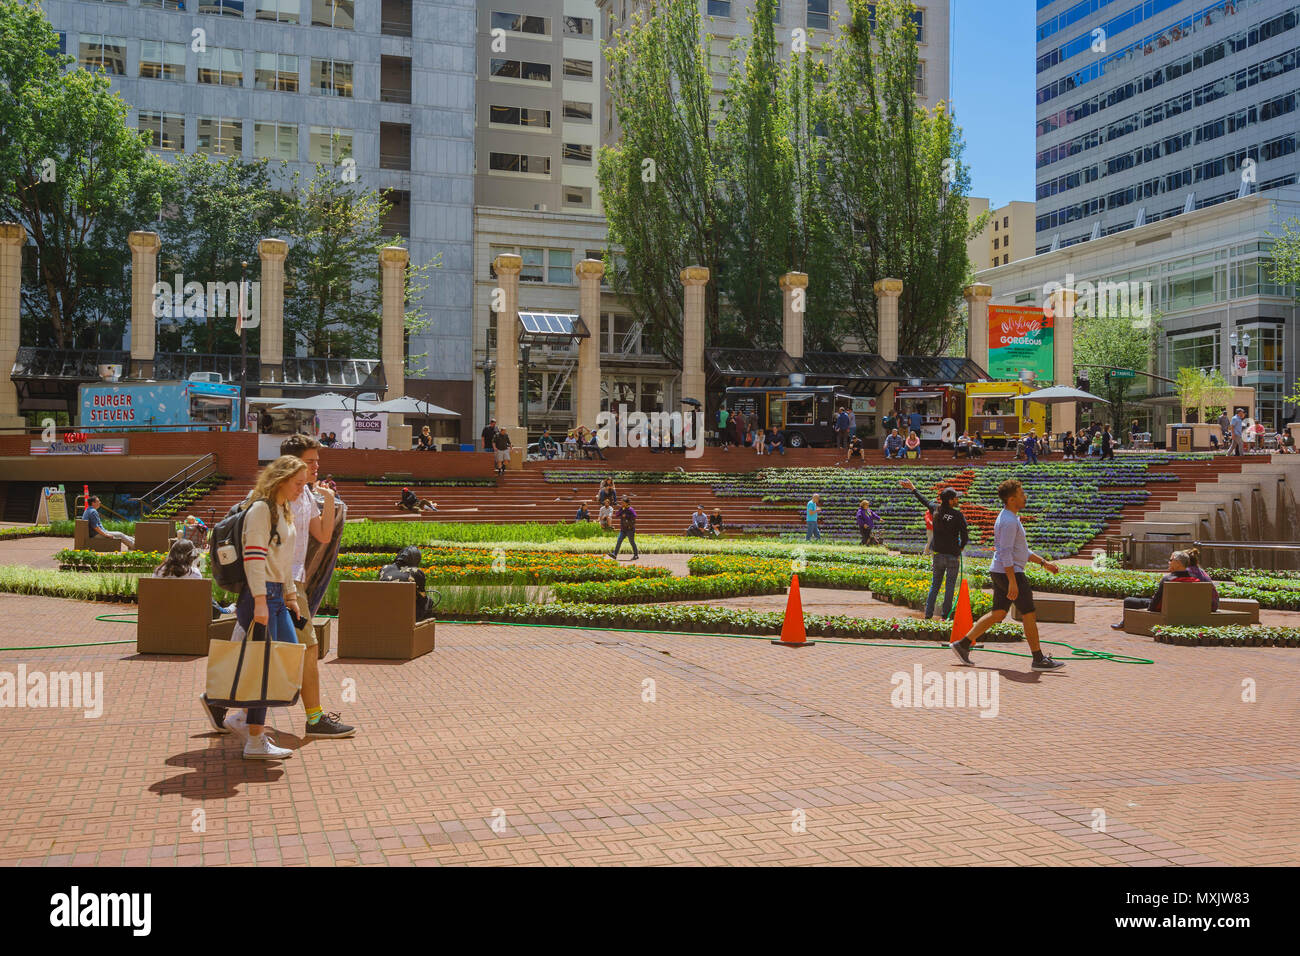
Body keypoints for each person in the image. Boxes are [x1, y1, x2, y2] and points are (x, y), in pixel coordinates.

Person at [206, 435, 356, 744]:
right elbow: (256, 551)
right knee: (299, 650)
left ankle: (225, 705)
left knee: (271, 652)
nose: (316, 468)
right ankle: (301, 720)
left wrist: (327, 500)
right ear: (290, 467)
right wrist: (262, 596)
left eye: (316, 463)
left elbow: (323, 536)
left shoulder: (304, 498)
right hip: (271, 586)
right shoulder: (268, 502)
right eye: (310, 462)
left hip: (289, 585)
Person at [222, 456, 309, 759]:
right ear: (282, 479)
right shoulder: (261, 510)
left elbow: (282, 560)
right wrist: (261, 601)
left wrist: (290, 597)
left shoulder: (282, 511)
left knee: (283, 663)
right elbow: (254, 559)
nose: (303, 488)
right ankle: (254, 738)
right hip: (259, 597)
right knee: (265, 669)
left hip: (274, 598)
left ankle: (242, 719)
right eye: (298, 482)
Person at [950, 478, 1066, 671]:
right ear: (1012, 499)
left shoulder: (1011, 518)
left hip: (1001, 571)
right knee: (1029, 613)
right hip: (1009, 573)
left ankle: (962, 644)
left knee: (998, 613)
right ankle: (1038, 659)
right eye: (1021, 494)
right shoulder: (1009, 521)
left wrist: (1044, 563)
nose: (1025, 497)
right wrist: (1012, 581)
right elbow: (1005, 552)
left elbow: (1021, 551)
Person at [901, 480, 970, 620]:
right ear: (950, 501)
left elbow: (924, 501)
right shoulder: (958, 515)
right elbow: (965, 536)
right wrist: (960, 548)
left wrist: (913, 488)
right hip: (952, 556)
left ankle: (928, 614)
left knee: (935, 585)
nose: (958, 500)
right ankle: (946, 616)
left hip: (938, 555)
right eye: (956, 498)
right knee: (950, 586)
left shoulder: (936, 509)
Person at [1111, 548, 1217, 629]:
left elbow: (1153, 605)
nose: (1168, 562)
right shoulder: (1194, 578)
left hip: (1164, 609)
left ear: (1178, 563)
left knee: (1129, 601)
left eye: (1171, 560)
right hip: (1189, 608)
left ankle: (1125, 623)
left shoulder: (1168, 579)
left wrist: (1149, 610)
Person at [155, 538, 233, 618]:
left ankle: (224, 610)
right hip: (188, 616)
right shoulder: (194, 573)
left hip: (162, 614)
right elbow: (201, 599)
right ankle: (224, 610)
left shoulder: (158, 571)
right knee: (208, 598)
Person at [379, 545, 436, 622]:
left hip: (384, 612)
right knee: (429, 601)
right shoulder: (416, 572)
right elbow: (423, 599)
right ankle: (420, 630)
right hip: (406, 616)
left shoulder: (384, 568)